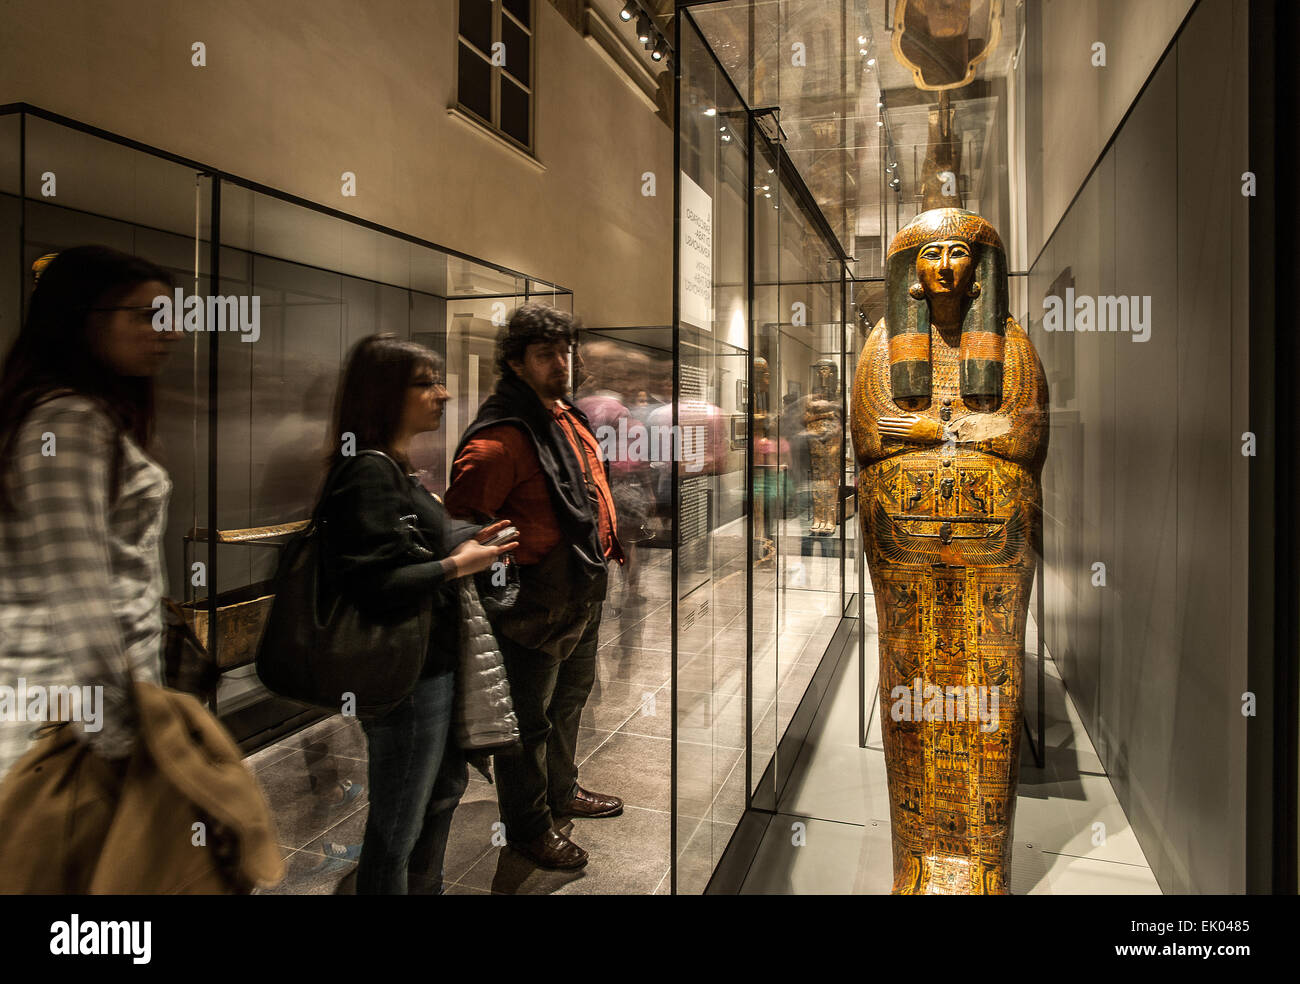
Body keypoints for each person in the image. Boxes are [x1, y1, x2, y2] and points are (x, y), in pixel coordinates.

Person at [321, 334, 517, 894]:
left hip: (430, 662)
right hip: (408, 673)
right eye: (425, 383)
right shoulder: (368, 470)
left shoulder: (393, 465)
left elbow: (408, 550)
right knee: (398, 824)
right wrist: (459, 564)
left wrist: (468, 541)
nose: (443, 393)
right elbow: (375, 584)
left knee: (440, 793)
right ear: (384, 393)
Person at [445, 303, 624, 871]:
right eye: (545, 354)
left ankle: (561, 790)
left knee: (570, 699)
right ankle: (528, 827)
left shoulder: (566, 418)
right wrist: (506, 578)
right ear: (516, 362)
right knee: (527, 721)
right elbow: (462, 523)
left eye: (564, 352)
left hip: (580, 586)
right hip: (533, 601)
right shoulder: (502, 438)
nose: (561, 364)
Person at [0, 246, 181, 783]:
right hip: (67, 712)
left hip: (74, 704)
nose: (170, 331)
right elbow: (76, 587)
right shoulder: (66, 421)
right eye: (146, 315)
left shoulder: (74, 414)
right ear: (81, 318)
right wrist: (121, 735)